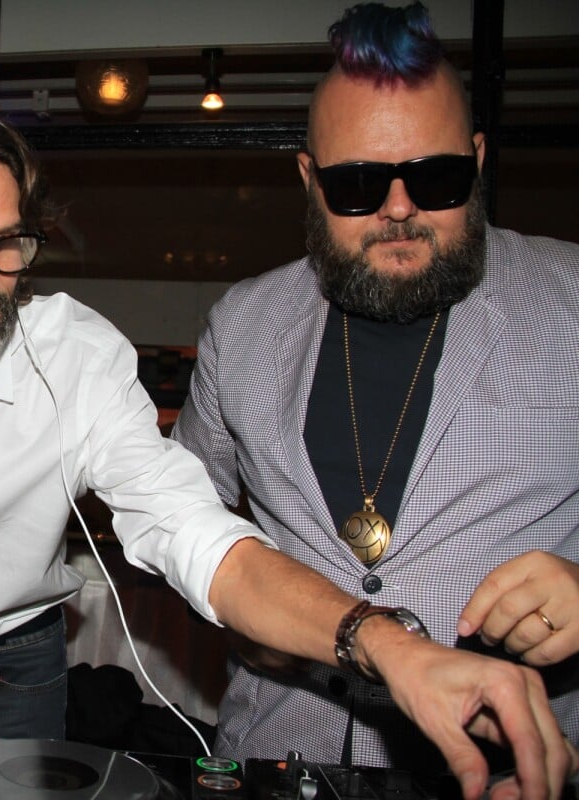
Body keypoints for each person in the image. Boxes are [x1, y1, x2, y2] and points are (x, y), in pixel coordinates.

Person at [0, 101, 575, 799]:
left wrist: (389, 645)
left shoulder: (77, 358)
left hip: (13, 675)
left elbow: (195, 531)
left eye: (7, 245)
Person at [171, 0, 578, 787]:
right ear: (308, 179)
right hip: (277, 759)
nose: (398, 208)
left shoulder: (572, 302)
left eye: (436, 177)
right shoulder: (243, 324)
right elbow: (181, 516)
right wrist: (234, 610)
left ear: (478, 161)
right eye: (357, 184)